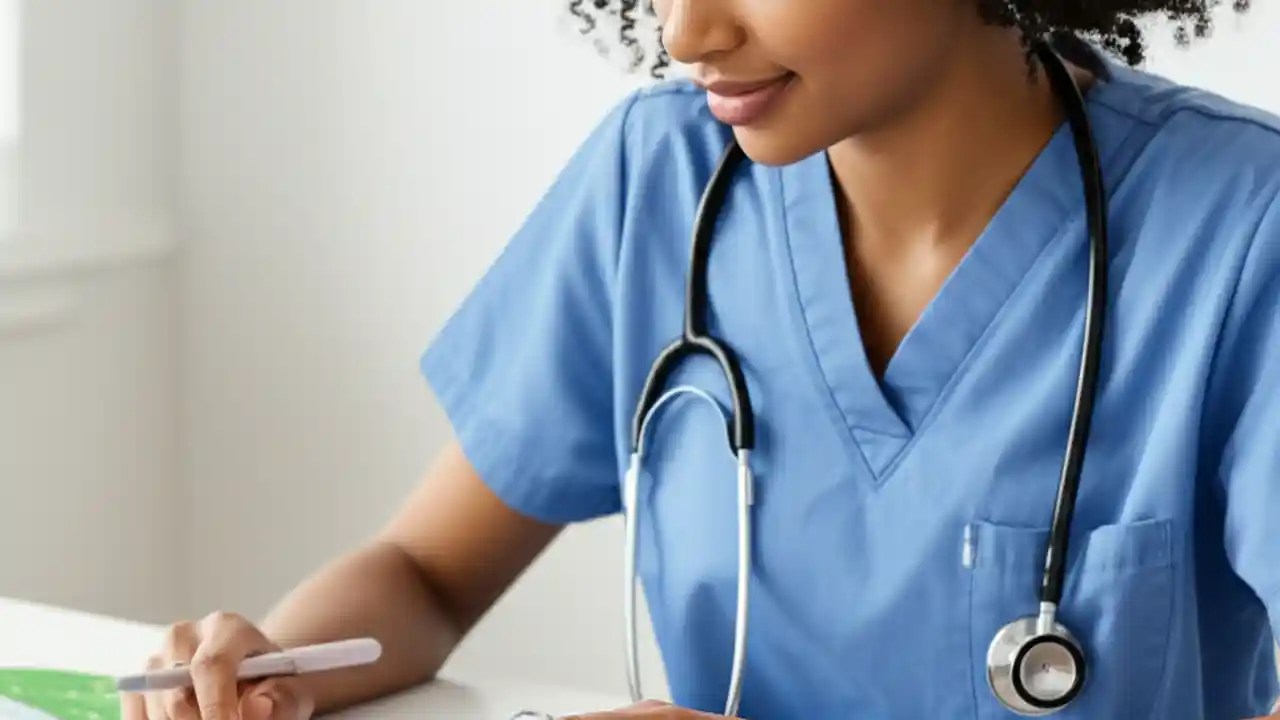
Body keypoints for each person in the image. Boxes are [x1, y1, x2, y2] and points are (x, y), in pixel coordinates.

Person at [124, 0, 1280, 718]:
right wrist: (278, 665)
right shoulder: (656, 182)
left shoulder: (1238, 228)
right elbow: (425, 574)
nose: (684, 32)